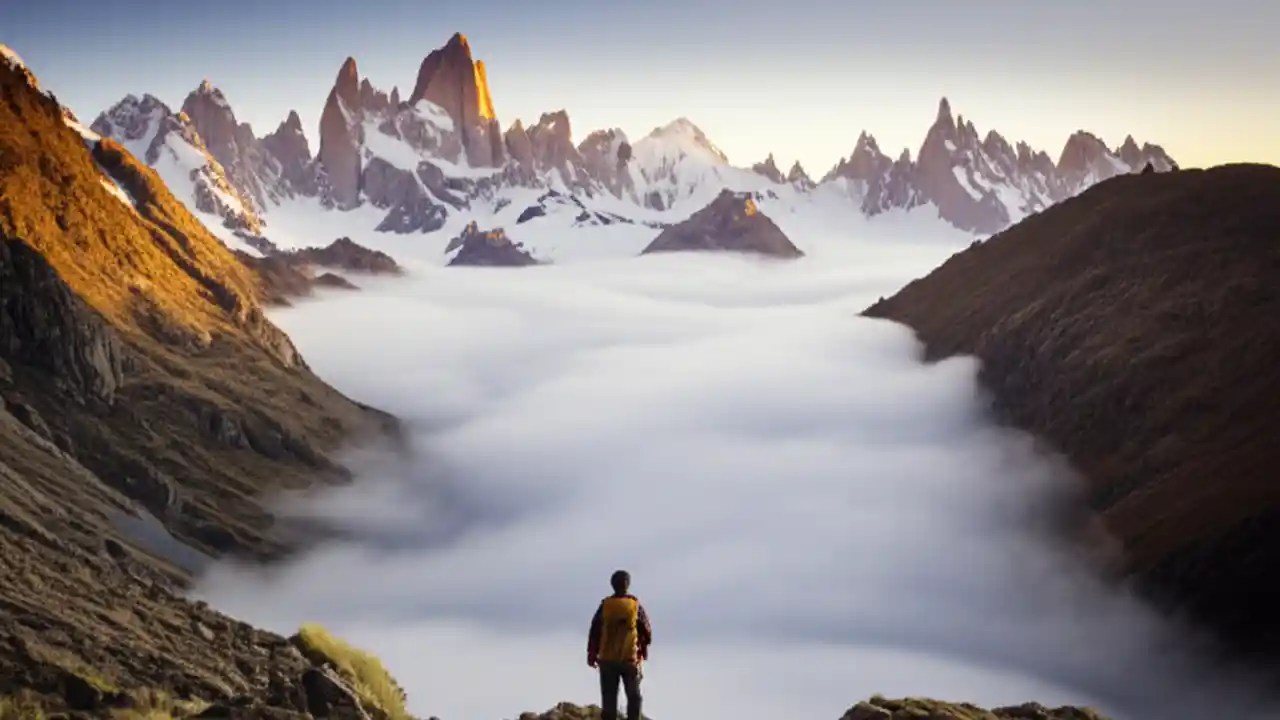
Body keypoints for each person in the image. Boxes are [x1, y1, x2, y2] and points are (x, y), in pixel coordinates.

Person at [587, 570, 652, 720]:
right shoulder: (635, 606)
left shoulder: (605, 606)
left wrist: (592, 654)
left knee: (609, 699)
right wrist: (642, 650)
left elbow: (594, 631)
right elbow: (646, 631)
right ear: (627, 585)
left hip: (607, 659)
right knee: (634, 697)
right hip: (629, 658)